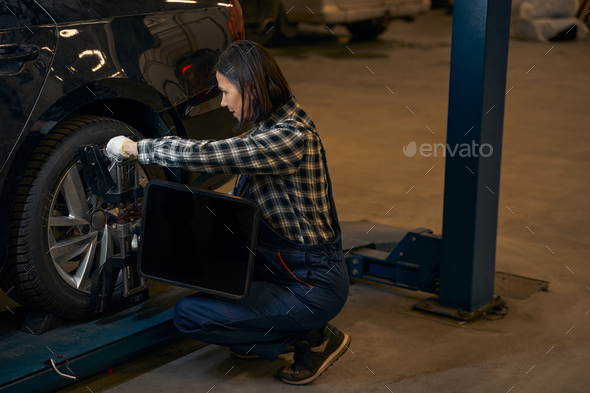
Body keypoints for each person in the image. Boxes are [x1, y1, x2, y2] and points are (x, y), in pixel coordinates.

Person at [106, 40, 350, 385]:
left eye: (225, 92)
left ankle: (314, 336)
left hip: (310, 285)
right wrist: (151, 209)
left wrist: (135, 148)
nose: (223, 103)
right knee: (215, 288)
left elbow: (206, 155)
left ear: (249, 87)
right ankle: (278, 328)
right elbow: (233, 208)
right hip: (279, 268)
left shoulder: (290, 138)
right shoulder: (269, 126)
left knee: (192, 316)